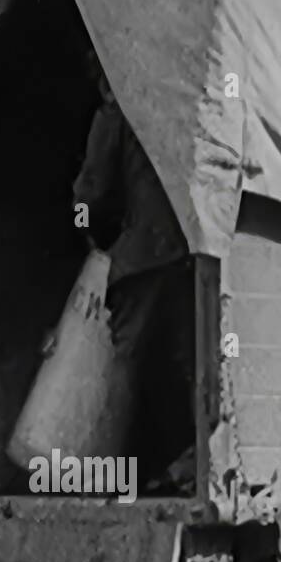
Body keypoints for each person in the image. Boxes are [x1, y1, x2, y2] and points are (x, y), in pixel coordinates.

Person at [72, 51, 196, 491]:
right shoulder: (182, 98)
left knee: (119, 360)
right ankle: (187, 467)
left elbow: (92, 192)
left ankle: (93, 468)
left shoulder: (116, 109)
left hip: (143, 254)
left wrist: (86, 236)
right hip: (188, 251)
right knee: (188, 360)